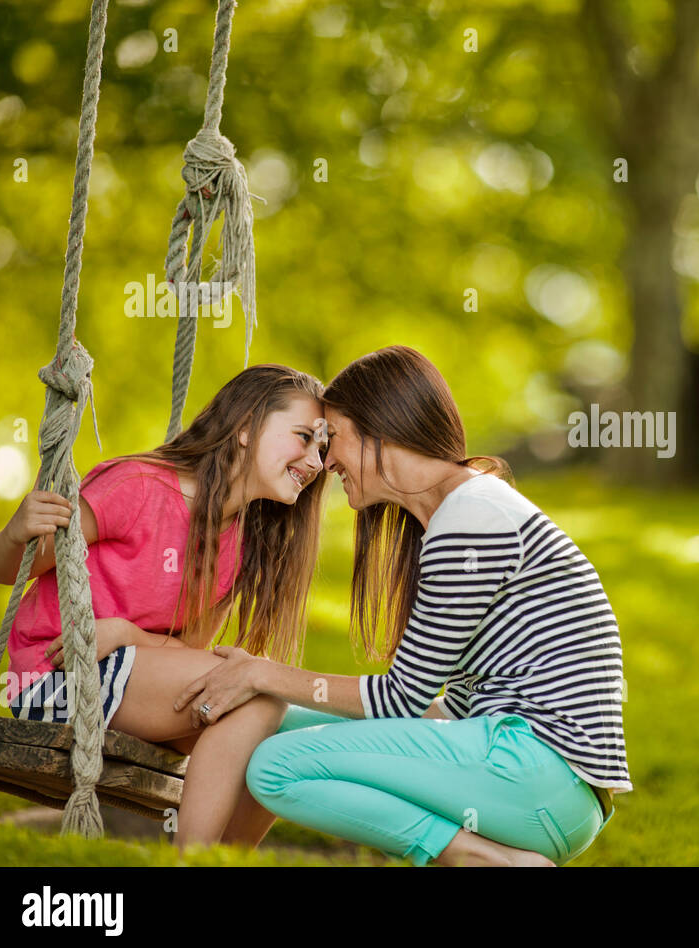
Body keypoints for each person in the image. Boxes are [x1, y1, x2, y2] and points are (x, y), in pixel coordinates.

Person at [173, 345, 633, 866]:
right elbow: (448, 708)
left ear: (380, 430)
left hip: (542, 776)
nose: (325, 462)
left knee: (277, 766)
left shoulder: (471, 519)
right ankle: (207, 861)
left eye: (334, 439)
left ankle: (484, 858)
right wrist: (271, 694)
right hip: (535, 783)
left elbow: (401, 700)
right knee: (268, 723)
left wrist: (263, 673)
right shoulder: (456, 516)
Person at [0, 364, 328, 850]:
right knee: (260, 695)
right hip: (56, 677)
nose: (315, 462)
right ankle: (193, 863)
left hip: (129, 676)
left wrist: (127, 633)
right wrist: (16, 531)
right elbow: (10, 569)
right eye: (303, 437)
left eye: (322, 449)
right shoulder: (139, 487)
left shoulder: (240, 541)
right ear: (247, 429)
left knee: (276, 755)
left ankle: (220, 861)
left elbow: (186, 648)